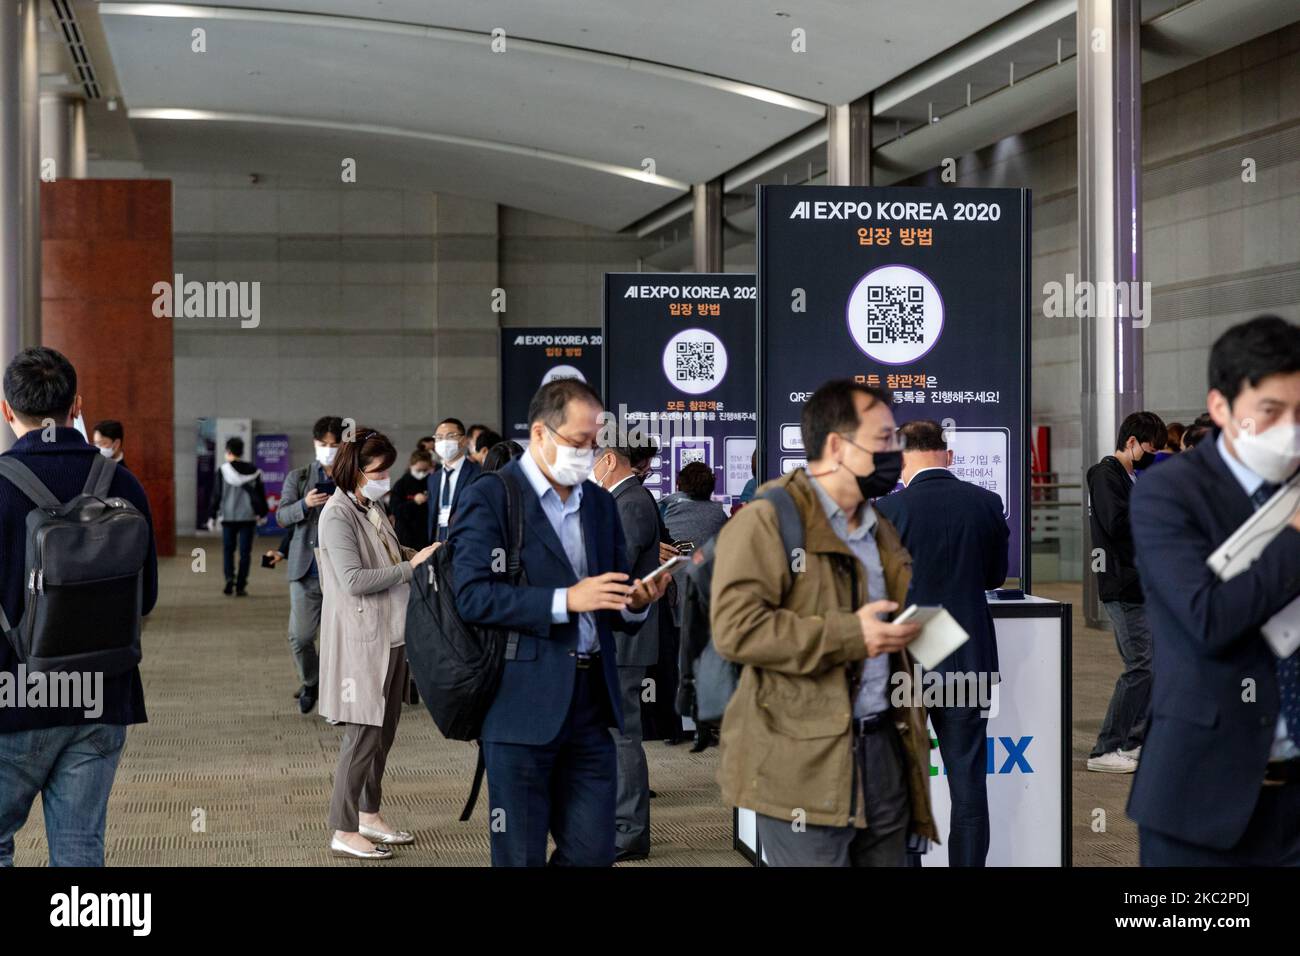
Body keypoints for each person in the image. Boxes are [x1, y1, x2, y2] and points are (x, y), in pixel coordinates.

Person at [711, 379, 935, 866]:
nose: (895, 453)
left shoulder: (879, 528)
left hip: (884, 755)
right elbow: (736, 629)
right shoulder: (768, 520)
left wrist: (921, 636)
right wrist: (853, 635)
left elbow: (887, 618)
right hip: (800, 763)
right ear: (837, 445)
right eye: (883, 440)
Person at [449, 378, 667, 866]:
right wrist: (564, 600)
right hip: (520, 704)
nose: (590, 453)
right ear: (542, 435)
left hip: (592, 707)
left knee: (594, 852)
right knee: (520, 854)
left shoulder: (600, 505)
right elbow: (473, 597)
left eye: (594, 441)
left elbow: (611, 601)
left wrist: (635, 602)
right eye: (579, 441)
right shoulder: (494, 496)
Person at [1127, 315, 1300, 866]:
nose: (1290, 428)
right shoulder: (1168, 493)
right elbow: (1207, 619)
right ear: (1222, 406)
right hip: (1202, 803)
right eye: (1271, 411)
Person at [0, 347, 159, 867]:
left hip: (13, 700)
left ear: (7, 410)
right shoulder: (123, 483)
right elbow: (147, 597)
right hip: (102, 697)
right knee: (79, 850)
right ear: (78, 405)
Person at [875, 419, 1009, 867]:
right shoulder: (987, 504)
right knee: (969, 784)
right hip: (967, 660)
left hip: (908, 663)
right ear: (945, 454)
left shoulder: (889, 514)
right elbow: (993, 578)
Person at [318, 428, 438, 859]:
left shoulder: (370, 505)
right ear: (356, 470)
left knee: (382, 733)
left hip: (392, 634)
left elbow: (388, 553)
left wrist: (416, 553)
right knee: (362, 735)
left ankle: (368, 812)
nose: (386, 476)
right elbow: (354, 581)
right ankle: (342, 826)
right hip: (361, 638)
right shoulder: (336, 514)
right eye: (378, 470)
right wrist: (412, 569)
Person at [1085, 410, 1167, 773]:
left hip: (1143, 583)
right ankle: (1106, 748)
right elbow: (1116, 523)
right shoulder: (1105, 473)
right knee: (1140, 667)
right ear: (1131, 442)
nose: (1151, 456)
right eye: (1148, 449)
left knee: (1152, 665)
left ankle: (1133, 741)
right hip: (1123, 583)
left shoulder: (1134, 477)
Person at [593, 444, 662, 861]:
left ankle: (629, 832)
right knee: (613, 733)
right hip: (617, 637)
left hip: (625, 638)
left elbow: (616, 569)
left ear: (608, 460)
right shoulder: (623, 499)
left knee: (622, 736)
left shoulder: (631, 501)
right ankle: (619, 824)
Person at [278, 415, 343, 714]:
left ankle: (339, 696)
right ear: (315, 444)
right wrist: (305, 504)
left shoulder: (354, 477)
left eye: (334, 444)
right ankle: (312, 681)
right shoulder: (299, 477)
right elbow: (281, 516)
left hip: (343, 572)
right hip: (305, 570)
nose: (328, 449)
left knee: (340, 641)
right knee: (301, 636)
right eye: (322, 444)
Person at [207, 436, 268, 598]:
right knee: (245, 553)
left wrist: (212, 516)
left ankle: (229, 579)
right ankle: (241, 585)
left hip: (228, 517)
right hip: (248, 518)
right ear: (241, 451)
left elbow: (216, 495)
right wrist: (262, 513)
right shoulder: (254, 470)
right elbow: (261, 495)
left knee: (228, 550)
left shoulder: (223, 470)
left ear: (228, 451)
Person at [428, 417, 481, 544]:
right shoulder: (433, 479)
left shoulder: (477, 473)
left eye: (450, 436)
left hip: (467, 545)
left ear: (463, 441)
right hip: (438, 543)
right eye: (439, 437)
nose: (444, 441)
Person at [661, 461, 729, 551]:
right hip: (706, 564)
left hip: (670, 563)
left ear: (678, 486)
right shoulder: (720, 515)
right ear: (711, 488)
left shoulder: (664, 509)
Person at [389, 450, 433, 550]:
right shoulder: (401, 484)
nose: (422, 473)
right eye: (418, 470)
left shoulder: (432, 482)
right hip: (406, 537)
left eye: (425, 470)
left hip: (427, 536)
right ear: (411, 466)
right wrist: (414, 502)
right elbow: (395, 510)